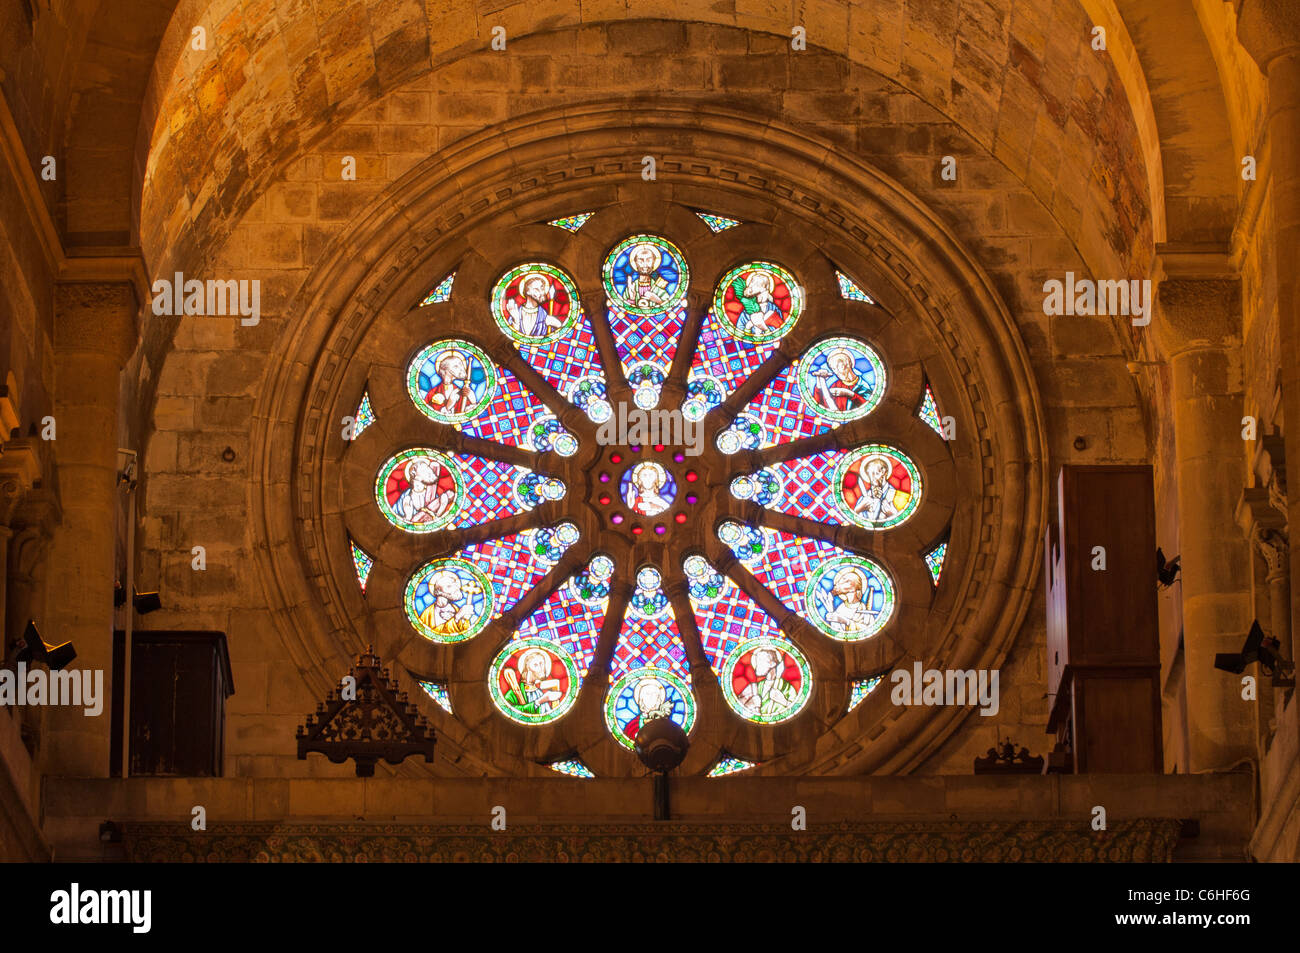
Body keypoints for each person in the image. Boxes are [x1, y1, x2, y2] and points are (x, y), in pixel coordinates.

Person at [739, 646, 799, 716]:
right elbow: (737, 707)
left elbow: (797, 709)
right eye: (757, 662)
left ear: (772, 664)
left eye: (761, 661)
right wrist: (749, 704)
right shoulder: (753, 687)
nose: (756, 666)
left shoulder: (787, 688)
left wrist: (783, 701)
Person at [394, 457, 456, 525]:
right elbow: (399, 521)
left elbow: (434, 520)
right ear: (414, 475)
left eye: (429, 469)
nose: (430, 472)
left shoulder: (432, 495)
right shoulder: (405, 498)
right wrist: (408, 517)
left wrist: (441, 510)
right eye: (424, 470)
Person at [503, 648, 563, 715]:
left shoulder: (539, 692)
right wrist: (540, 701)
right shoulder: (513, 693)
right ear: (528, 668)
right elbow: (509, 710)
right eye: (536, 665)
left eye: (542, 664)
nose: (541, 668)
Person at [418, 568, 477, 636]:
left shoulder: (456, 609)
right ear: (439, 591)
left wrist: (464, 619)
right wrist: (457, 617)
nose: (456, 588)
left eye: (455, 584)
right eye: (449, 586)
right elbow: (435, 634)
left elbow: (464, 633)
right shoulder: (427, 614)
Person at [811, 347, 872, 413]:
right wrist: (820, 381)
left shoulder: (863, 385)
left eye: (838, 367)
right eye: (833, 369)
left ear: (848, 364)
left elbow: (868, 407)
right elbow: (822, 405)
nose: (836, 372)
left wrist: (849, 394)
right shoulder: (836, 385)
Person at [819, 566, 876, 634]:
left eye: (846, 581)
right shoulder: (840, 608)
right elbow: (837, 632)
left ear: (855, 587)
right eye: (841, 580)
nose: (838, 584)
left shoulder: (865, 611)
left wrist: (847, 622)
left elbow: (869, 630)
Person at [505, 272, 563, 337]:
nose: (541, 292)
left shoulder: (544, 316)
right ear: (527, 291)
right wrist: (516, 320)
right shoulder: (516, 313)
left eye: (542, 288)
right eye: (536, 289)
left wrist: (558, 325)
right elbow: (511, 336)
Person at [425, 349, 476, 416]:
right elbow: (430, 413)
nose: (461, 369)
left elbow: (469, 415)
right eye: (456, 366)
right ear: (445, 369)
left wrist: (473, 401)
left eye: (461, 365)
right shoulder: (433, 393)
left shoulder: (461, 392)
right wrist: (448, 407)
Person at [623, 677, 674, 741]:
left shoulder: (666, 724)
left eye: (655, 694)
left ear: (659, 699)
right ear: (640, 698)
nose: (651, 697)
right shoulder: (632, 726)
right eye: (647, 694)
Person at [850, 455, 900, 522]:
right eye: (869, 475)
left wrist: (893, 514)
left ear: (884, 472)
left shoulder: (896, 495)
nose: (872, 479)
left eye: (875, 473)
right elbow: (856, 520)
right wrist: (859, 509)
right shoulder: (864, 497)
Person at [622, 243, 671, 309]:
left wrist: (657, 300)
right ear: (635, 263)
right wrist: (631, 299)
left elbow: (669, 307)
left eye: (648, 260)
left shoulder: (659, 289)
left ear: (654, 262)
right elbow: (623, 309)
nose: (645, 264)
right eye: (641, 260)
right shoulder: (630, 289)